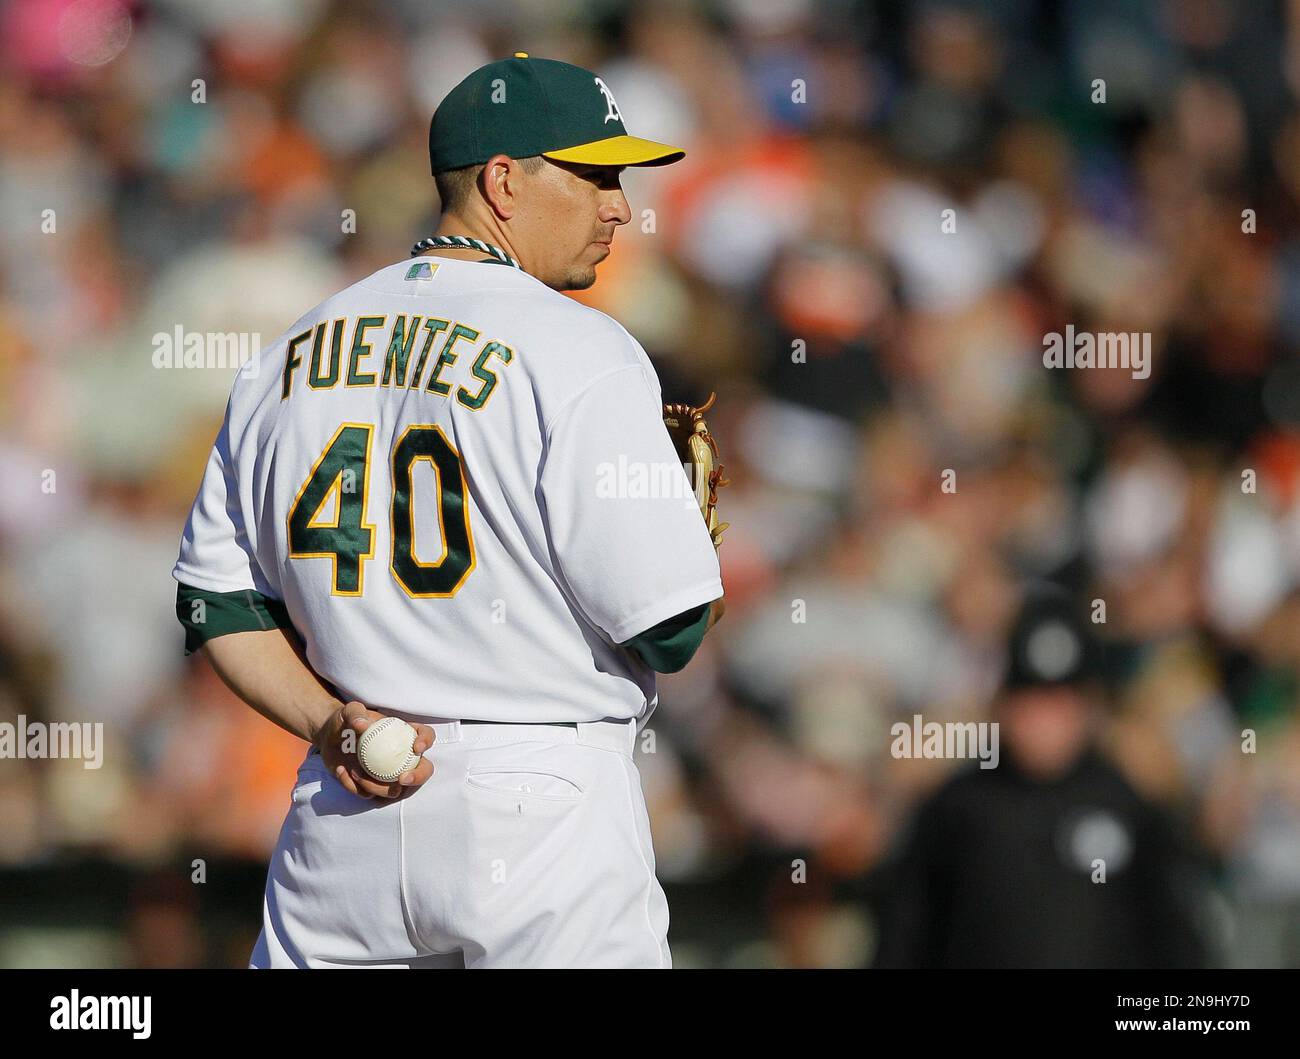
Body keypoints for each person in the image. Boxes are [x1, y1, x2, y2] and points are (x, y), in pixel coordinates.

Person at [171, 54, 726, 968]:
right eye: (597, 174)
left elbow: (215, 604)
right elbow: (671, 628)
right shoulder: (580, 349)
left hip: (345, 812)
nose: (620, 205)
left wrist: (327, 723)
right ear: (504, 180)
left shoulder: (286, 353)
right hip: (543, 808)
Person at [872, 584, 1208, 968]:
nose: (1046, 723)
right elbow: (906, 936)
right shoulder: (959, 807)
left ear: (1090, 707)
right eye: (1031, 702)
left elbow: (1176, 939)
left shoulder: (1129, 804)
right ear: (1002, 706)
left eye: (1060, 703)